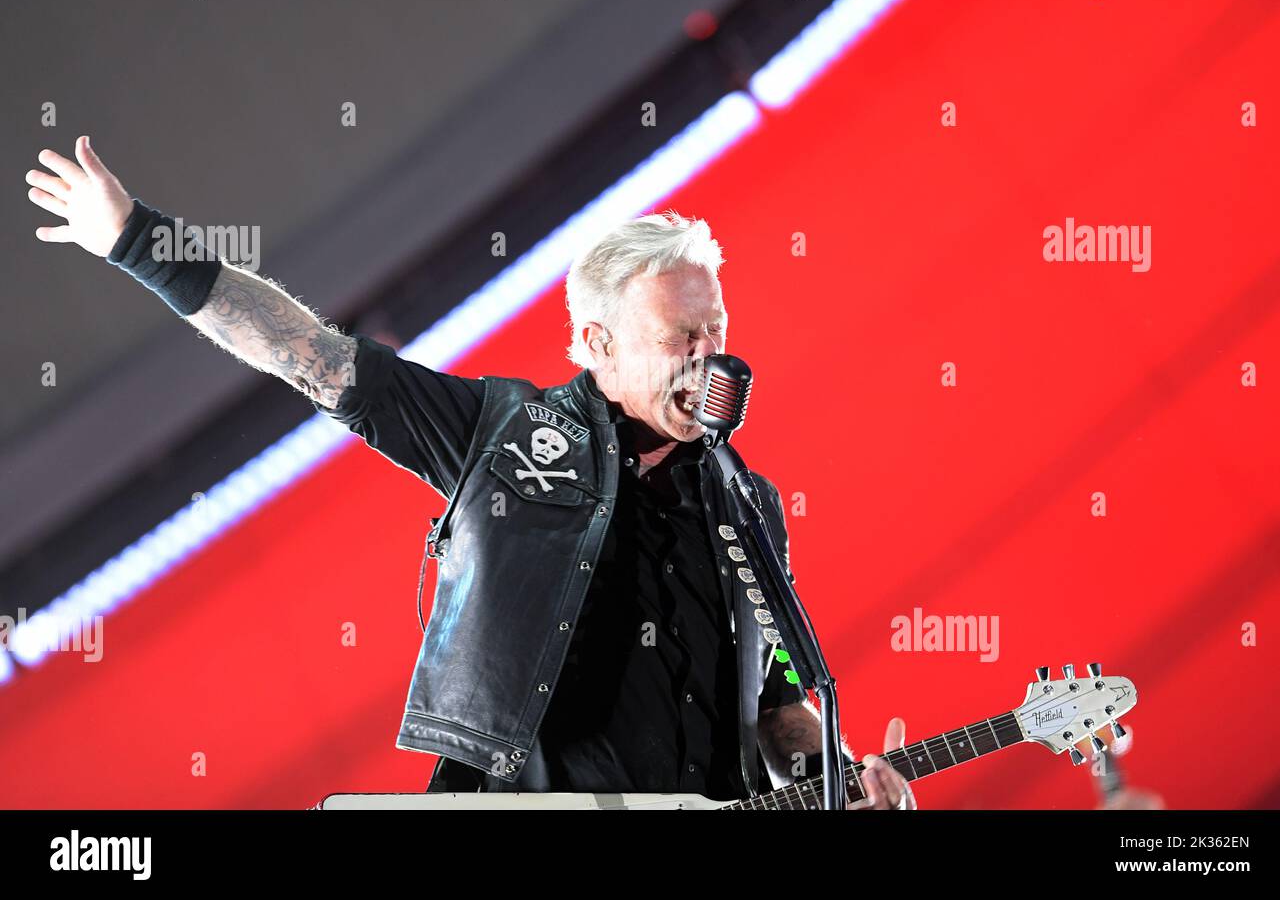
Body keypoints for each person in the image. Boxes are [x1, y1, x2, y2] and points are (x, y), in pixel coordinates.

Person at [26, 136, 915, 809]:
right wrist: (137, 242)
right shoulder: (509, 431)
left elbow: (773, 700)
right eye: (681, 336)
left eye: (715, 330)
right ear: (600, 345)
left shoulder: (746, 501)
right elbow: (315, 359)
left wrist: (835, 776)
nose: (708, 356)